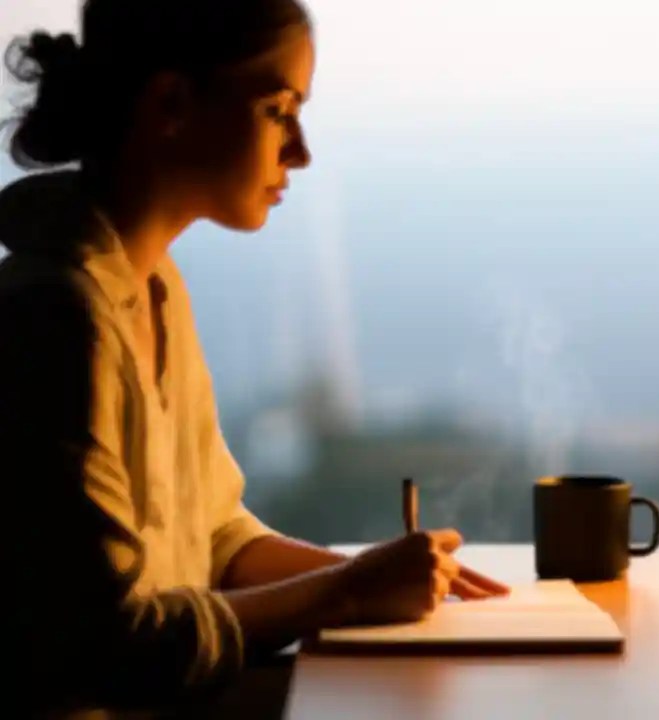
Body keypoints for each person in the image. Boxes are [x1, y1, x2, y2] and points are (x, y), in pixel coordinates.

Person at [0, 1, 509, 716]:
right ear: (171, 103)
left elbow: (216, 535)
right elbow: (107, 649)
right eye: (278, 109)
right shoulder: (54, 321)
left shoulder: (154, 289)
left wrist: (377, 576)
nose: (299, 149)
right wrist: (349, 591)